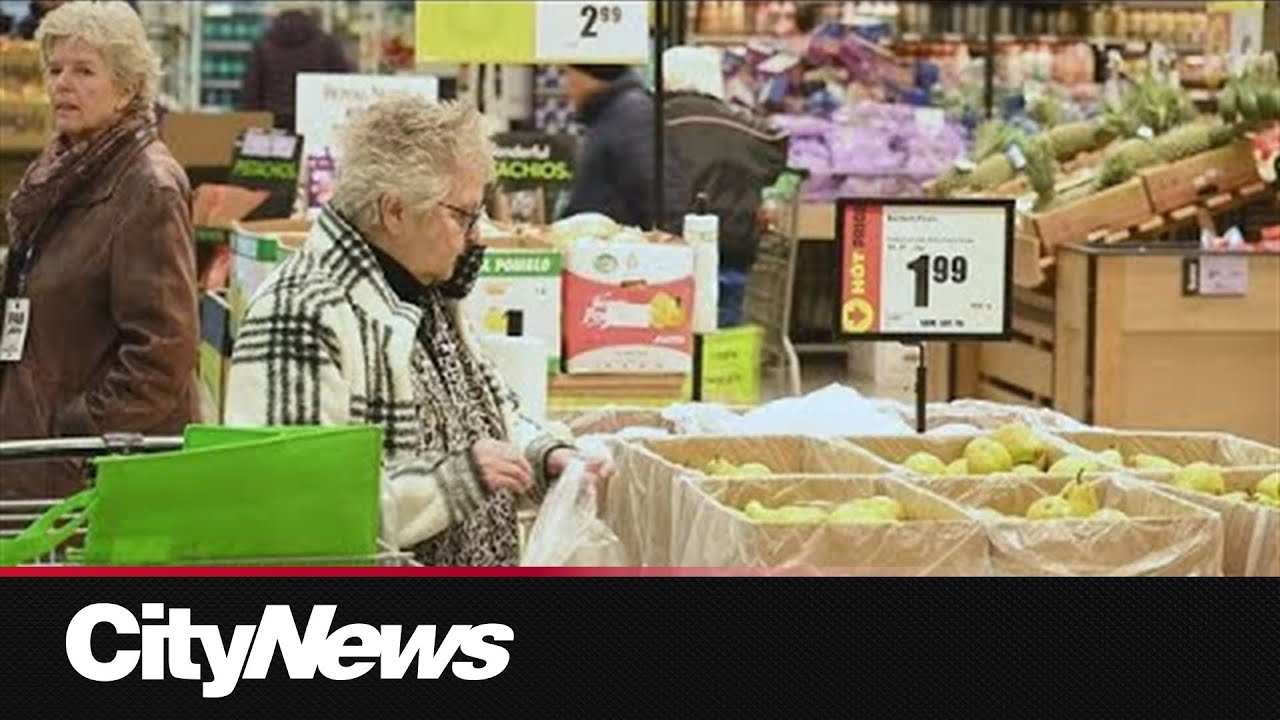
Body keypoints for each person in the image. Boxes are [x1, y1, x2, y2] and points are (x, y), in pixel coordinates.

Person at [224, 95, 614, 567]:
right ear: (394, 211)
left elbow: (485, 411)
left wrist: (544, 456)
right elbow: (296, 508)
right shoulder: (303, 312)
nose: (477, 235)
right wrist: (454, 480)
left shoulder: (421, 289)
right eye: (463, 215)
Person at [0, 1, 200, 501]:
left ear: (128, 87)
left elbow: (162, 355)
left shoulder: (147, 186)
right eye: (56, 69)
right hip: (40, 452)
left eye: (85, 70)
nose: (62, 84)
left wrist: (75, 431)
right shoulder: (61, 170)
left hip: (93, 475)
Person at [661, 46, 789, 327]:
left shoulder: (652, 123)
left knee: (667, 335)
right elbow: (776, 149)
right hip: (732, 250)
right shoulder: (746, 126)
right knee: (723, 336)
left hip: (665, 254)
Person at [559, 64, 658, 229]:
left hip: (617, 249)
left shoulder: (630, 114)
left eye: (569, 75)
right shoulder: (607, 113)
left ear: (588, 76)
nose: (567, 85)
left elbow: (649, 187)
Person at [240, 1, 353, 133]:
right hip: (315, 122)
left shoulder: (262, 44)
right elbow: (341, 85)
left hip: (273, 124)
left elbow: (251, 92)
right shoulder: (326, 43)